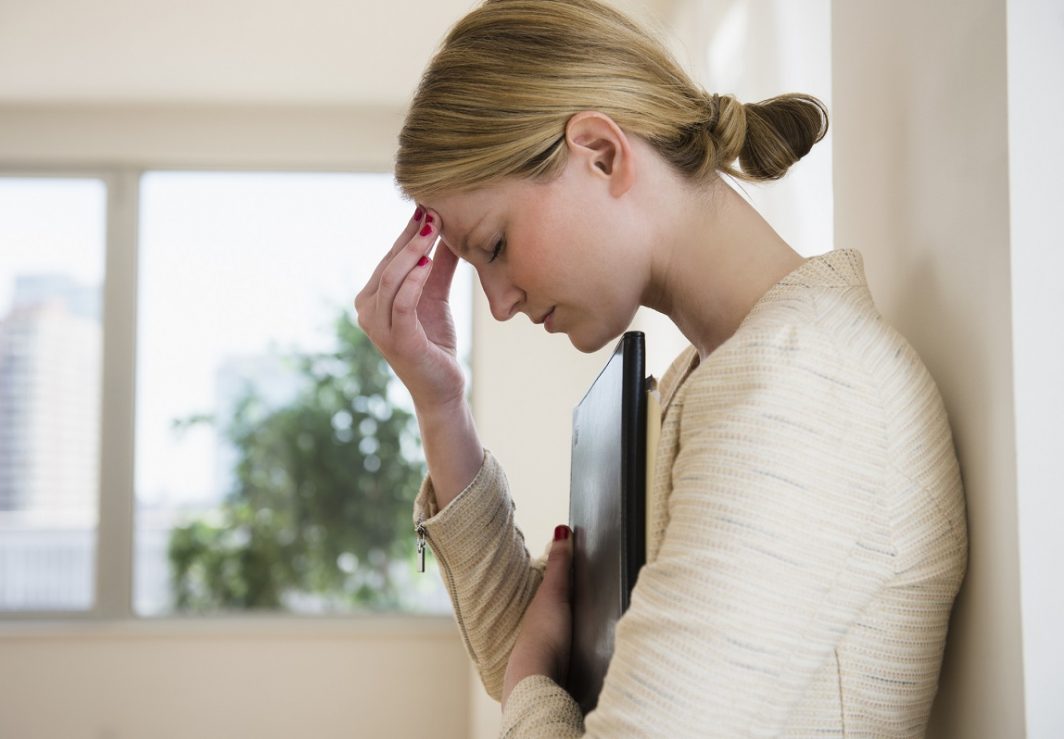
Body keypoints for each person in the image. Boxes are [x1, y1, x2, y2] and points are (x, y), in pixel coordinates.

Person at [355, 0, 967, 735]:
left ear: (603, 154)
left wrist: (529, 688)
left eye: (493, 245)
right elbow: (539, 659)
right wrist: (440, 403)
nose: (499, 302)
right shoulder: (705, 382)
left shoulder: (800, 391)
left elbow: (535, 686)